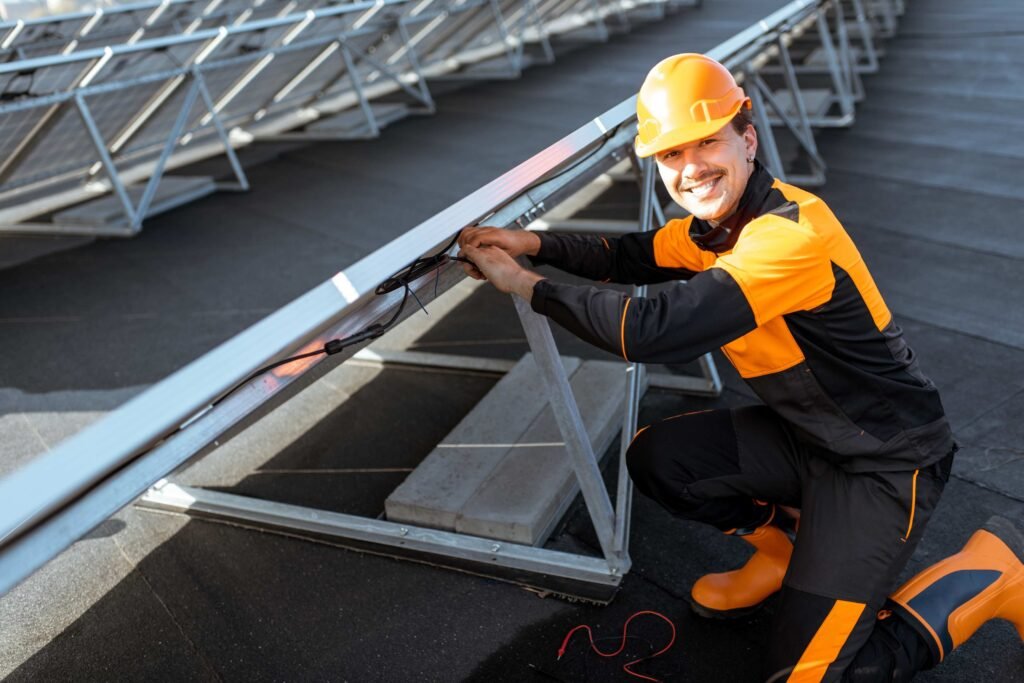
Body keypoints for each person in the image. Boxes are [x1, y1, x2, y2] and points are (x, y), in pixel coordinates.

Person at [457, 53, 1024, 682]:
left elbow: (654, 330)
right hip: (809, 436)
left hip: (886, 460)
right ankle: (783, 555)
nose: (690, 167)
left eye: (707, 143)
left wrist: (524, 282)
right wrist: (531, 242)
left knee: (809, 680)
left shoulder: (787, 237)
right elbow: (631, 254)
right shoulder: (713, 229)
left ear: (747, 139)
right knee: (659, 458)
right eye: (671, 154)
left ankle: (995, 572)